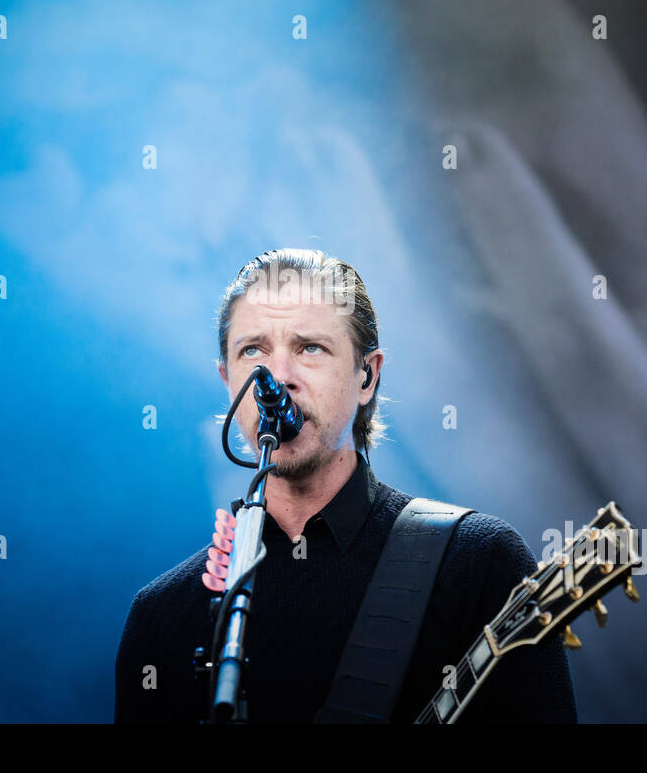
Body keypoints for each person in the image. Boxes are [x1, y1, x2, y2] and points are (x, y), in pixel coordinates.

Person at [113, 248, 577, 723]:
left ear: (367, 376)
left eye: (310, 347)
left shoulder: (478, 564)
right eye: (252, 350)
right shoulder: (162, 615)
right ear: (227, 379)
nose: (277, 379)